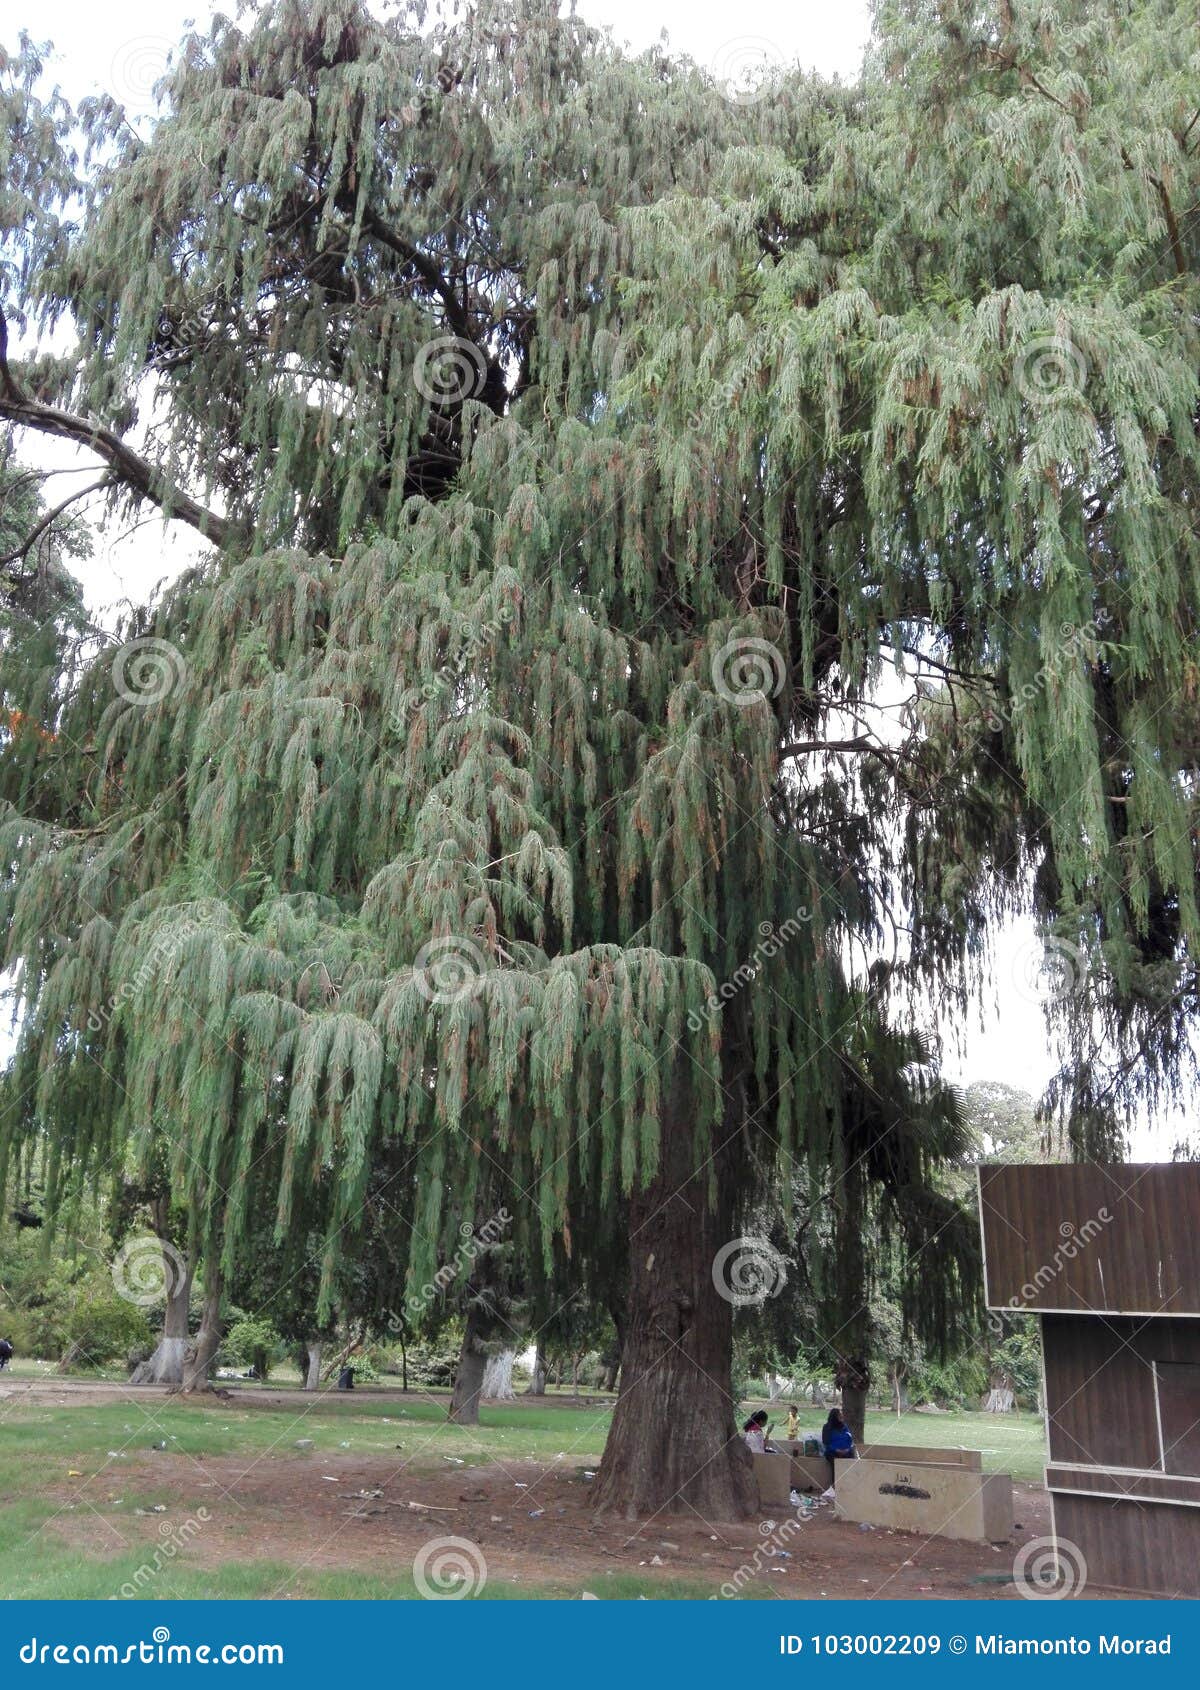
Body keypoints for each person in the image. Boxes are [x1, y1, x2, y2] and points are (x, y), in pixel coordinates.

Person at [820, 1406, 856, 1496]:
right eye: (839, 1415)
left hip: (846, 1451)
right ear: (834, 1417)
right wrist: (837, 1450)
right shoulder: (827, 1427)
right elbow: (826, 1442)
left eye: (841, 1415)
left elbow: (850, 1439)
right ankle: (835, 1487)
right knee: (835, 1462)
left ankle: (848, 1487)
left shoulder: (844, 1426)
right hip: (832, 1452)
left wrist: (847, 1449)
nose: (841, 1417)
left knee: (851, 1459)